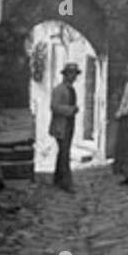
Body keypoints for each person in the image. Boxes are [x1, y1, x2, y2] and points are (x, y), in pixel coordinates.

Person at [49, 62, 80, 192]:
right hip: (61, 125)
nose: (73, 76)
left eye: (75, 74)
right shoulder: (59, 90)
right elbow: (54, 107)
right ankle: (66, 183)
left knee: (63, 152)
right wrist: (71, 109)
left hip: (69, 124)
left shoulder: (71, 89)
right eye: (71, 74)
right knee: (65, 153)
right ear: (65, 75)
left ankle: (57, 178)